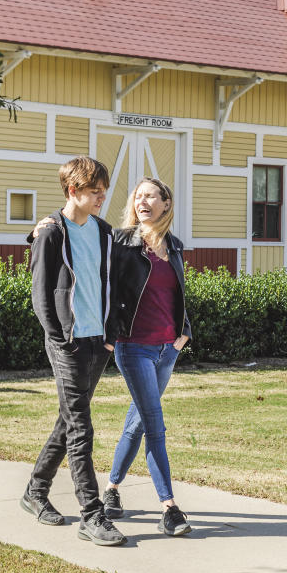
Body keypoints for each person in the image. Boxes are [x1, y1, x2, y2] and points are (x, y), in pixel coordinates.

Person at [21, 156, 126, 547]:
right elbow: (41, 295)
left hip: (98, 341)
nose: (101, 198)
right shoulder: (51, 233)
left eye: (103, 191)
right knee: (81, 426)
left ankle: (35, 490)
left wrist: (111, 334)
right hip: (68, 342)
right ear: (72, 190)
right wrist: (59, 337)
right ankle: (92, 514)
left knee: (69, 420)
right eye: (94, 191)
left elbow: (113, 284)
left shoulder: (104, 232)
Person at [102, 177, 194, 537]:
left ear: (165, 203)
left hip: (167, 349)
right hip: (134, 347)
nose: (143, 201)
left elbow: (177, 294)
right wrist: (48, 223)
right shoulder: (120, 242)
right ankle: (170, 509)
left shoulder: (175, 246)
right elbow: (105, 285)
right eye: (138, 196)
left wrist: (185, 331)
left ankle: (111, 489)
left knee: (138, 422)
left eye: (150, 196)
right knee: (155, 423)